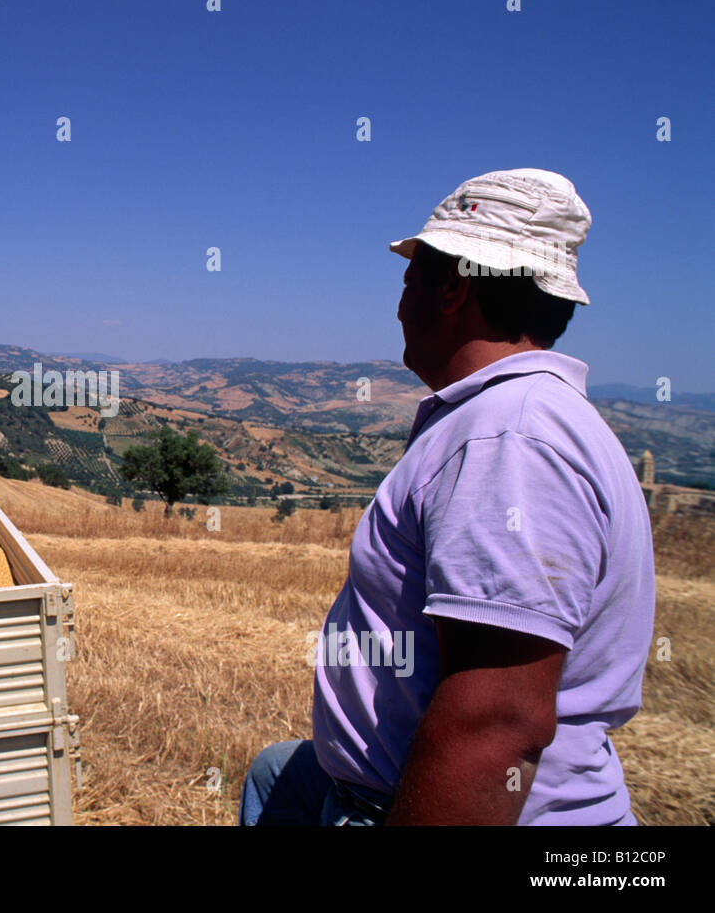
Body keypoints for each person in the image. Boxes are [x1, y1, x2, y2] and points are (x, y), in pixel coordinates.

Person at [240, 168, 656, 825]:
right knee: (274, 776)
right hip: (379, 786)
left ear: (454, 288)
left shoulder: (508, 440)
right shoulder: (522, 419)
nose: (398, 308)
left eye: (410, 284)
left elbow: (496, 724)